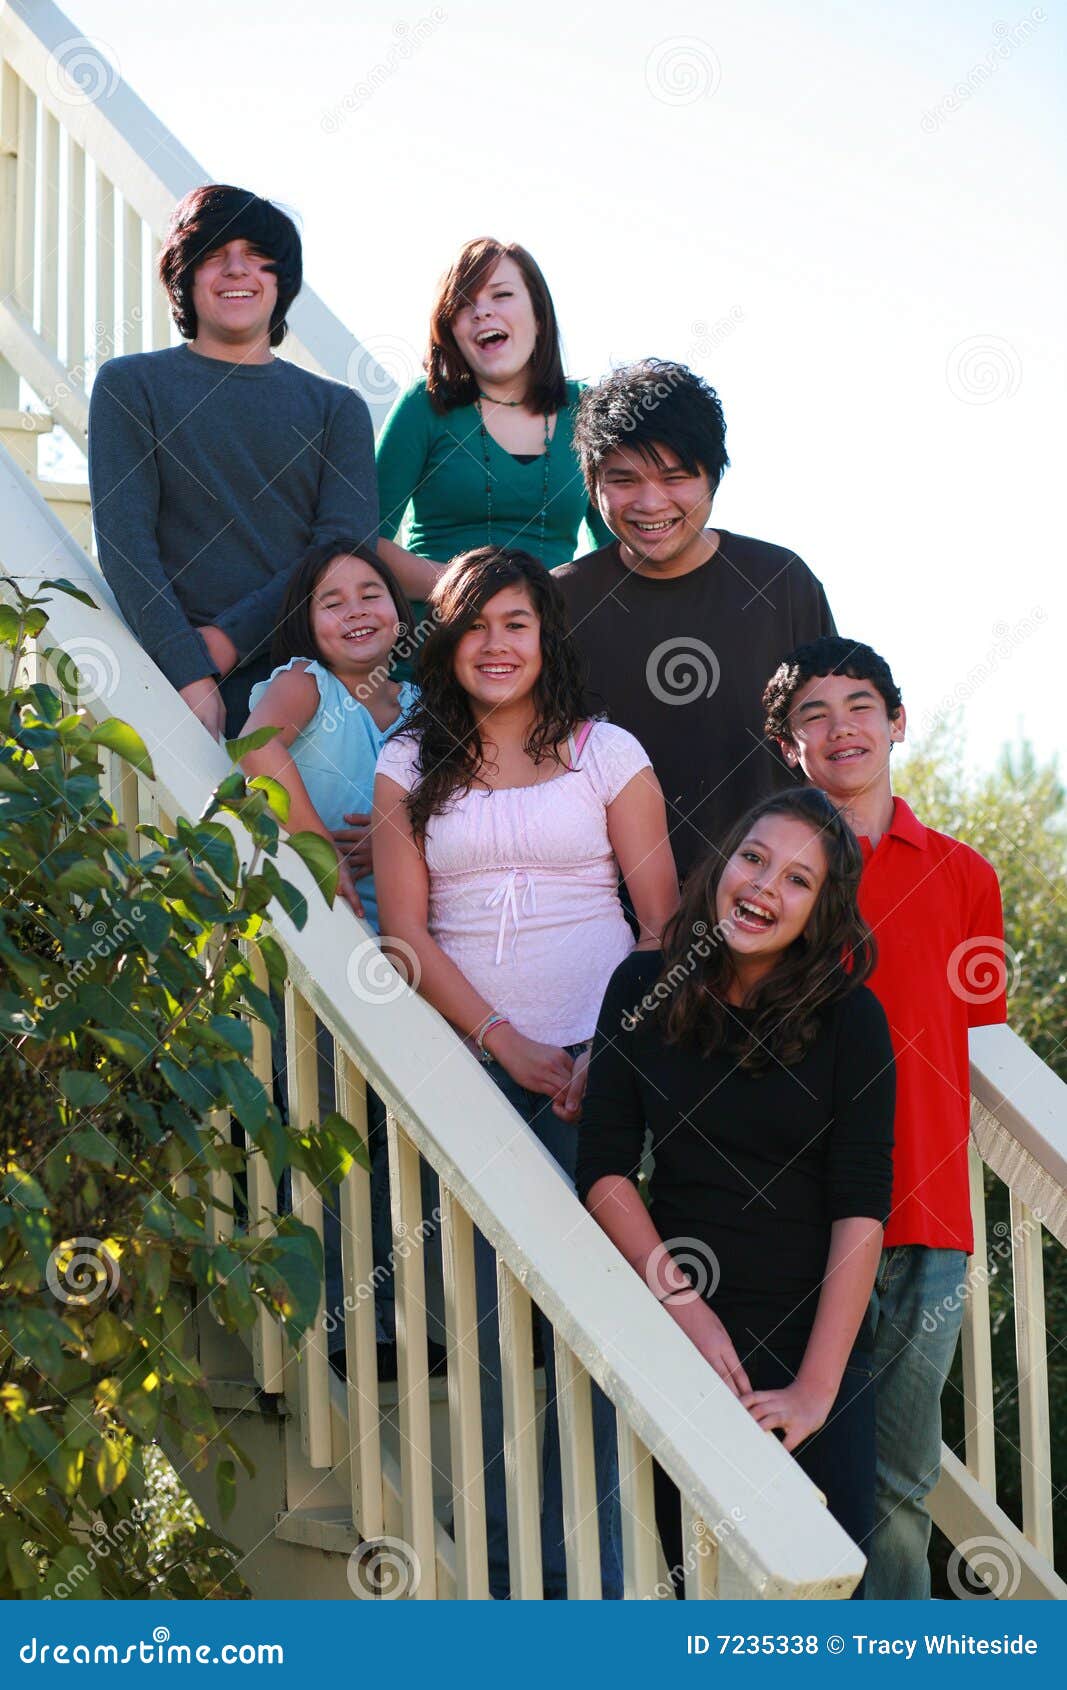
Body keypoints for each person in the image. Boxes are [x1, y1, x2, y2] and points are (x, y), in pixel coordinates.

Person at [373, 545, 678, 1598]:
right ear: (446, 644)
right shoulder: (406, 762)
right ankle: (515, 1580)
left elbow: (663, 924)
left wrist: (610, 1049)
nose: (495, 645)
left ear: (545, 635)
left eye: (515, 623)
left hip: (604, 1072)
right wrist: (504, 1039)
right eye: (473, 626)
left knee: (603, 1312)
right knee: (497, 1326)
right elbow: (405, 934)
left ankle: (599, 1572)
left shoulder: (606, 752)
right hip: (471, 1073)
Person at [576, 788, 896, 1597]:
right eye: (753, 859)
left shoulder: (852, 1020)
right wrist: (681, 1306)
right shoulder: (640, 987)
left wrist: (816, 1390)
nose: (762, 888)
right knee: (698, 1592)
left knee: (825, 1600)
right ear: (722, 864)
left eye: (797, 879)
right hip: (683, 1333)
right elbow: (606, 1170)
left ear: (820, 911)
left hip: (812, 1340)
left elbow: (860, 1204)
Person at [762, 636, 1007, 1599]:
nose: (840, 728)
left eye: (859, 705)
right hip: (794, 1221)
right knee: (793, 1478)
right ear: (788, 747)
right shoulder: (766, 877)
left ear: (896, 722)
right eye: (812, 715)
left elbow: (975, 1042)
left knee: (900, 1486)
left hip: (925, 1216)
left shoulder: (962, 876)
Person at [88, 184, 378, 742]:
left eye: (254, 255)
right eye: (213, 255)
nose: (235, 270)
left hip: (309, 686)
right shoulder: (130, 386)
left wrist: (225, 642)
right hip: (167, 681)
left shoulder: (337, 409)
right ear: (186, 276)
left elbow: (342, 551)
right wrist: (189, 669)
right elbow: (126, 545)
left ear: (281, 279)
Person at [237, 540, 418, 1372]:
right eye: (331, 599)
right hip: (317, 933)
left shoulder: (421, 701)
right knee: (314, 1119)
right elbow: (256, 749)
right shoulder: (304, 683)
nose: (355, 610)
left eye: (371, 592)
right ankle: (314, 1326)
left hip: (401, 943)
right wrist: (327, 861)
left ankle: (381, 1324)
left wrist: (384, 847)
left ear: (399, 609)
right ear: (307, 622)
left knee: (385, 1130)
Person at [555, 360, 835, 883]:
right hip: (601, 922)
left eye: (675, 477)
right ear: (593, 484)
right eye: (623, 480)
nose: (650, 503)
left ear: (714, 475)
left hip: (771, 913)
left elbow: (838, 748)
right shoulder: (556, 603)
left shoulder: (781, 584)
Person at [375, 236, 611, 603]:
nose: (481, 311)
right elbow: (360, 540)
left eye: (501, 295)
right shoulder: (424, 405)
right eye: (464, 302)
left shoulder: (587, 409)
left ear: (539, 315)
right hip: (432, 646)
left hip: (551, 647)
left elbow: (618, 551)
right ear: (450, 328)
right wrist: (468, 588)